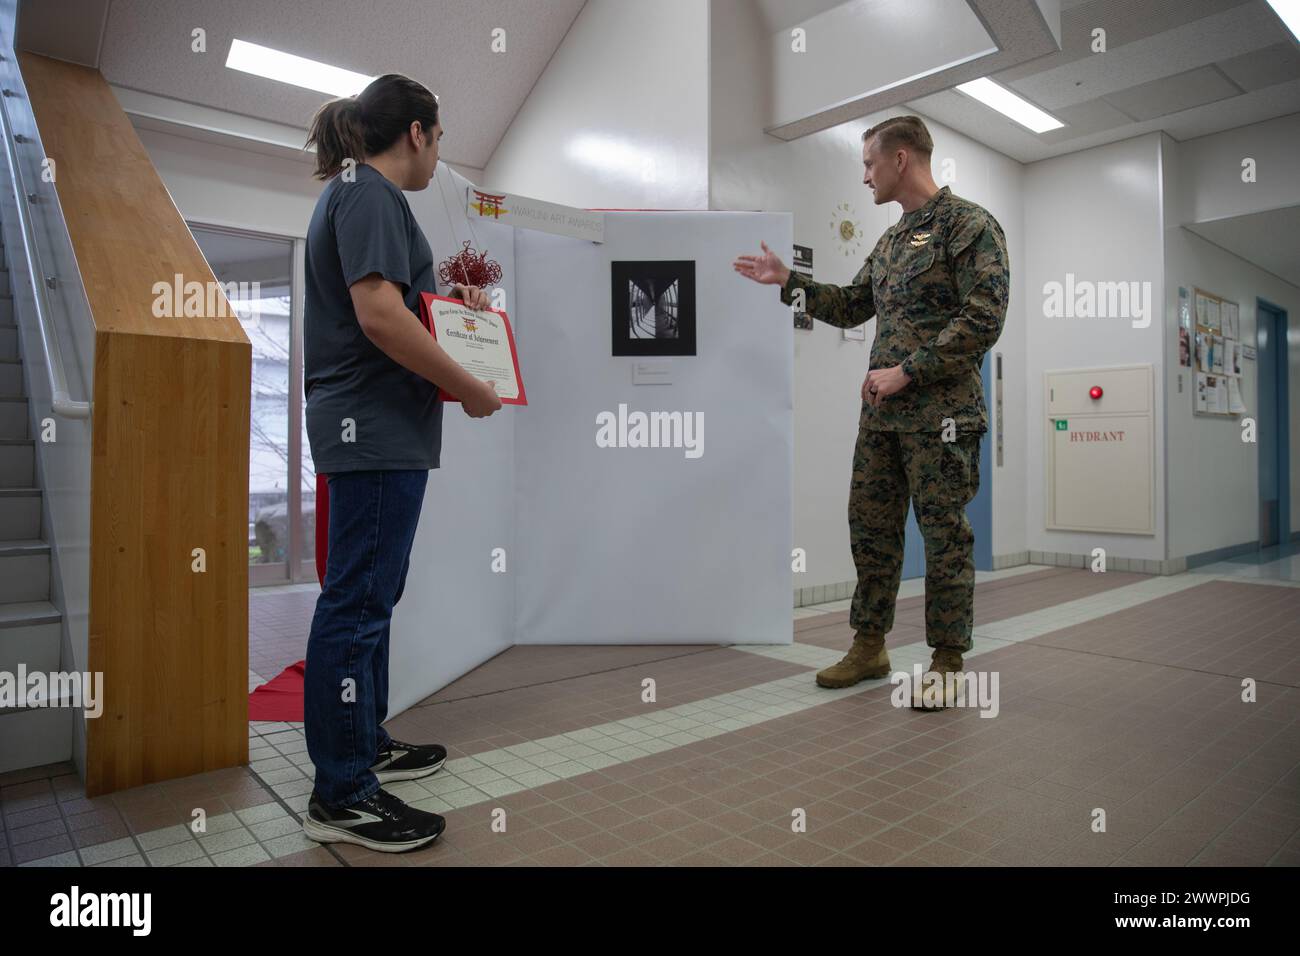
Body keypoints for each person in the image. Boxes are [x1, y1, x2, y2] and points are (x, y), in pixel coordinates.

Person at [733, 115, 1008, 709]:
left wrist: (908, 370)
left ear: (901, 159)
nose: (864, 176)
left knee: (944, 539)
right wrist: (789, 283)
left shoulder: (970, 227)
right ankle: (870, 645)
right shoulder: (889, 243)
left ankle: (947, 660)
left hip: (942, 417)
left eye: (868, 163)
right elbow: (854, 303)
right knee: (872, 531)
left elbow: (984, 320)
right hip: (882, 421)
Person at [299, 73, 502, 852]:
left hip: (377, 427)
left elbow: (399, 306)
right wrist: (472, 387)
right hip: (372, 428)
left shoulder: (356, 194)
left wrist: (452, 304)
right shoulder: (372, 195)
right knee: (357, 601)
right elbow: (380, 317)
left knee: (371, 591)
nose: (439, 150)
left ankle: (365, 740)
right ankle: (343, 792)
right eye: (440, 136)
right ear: (416, 132)